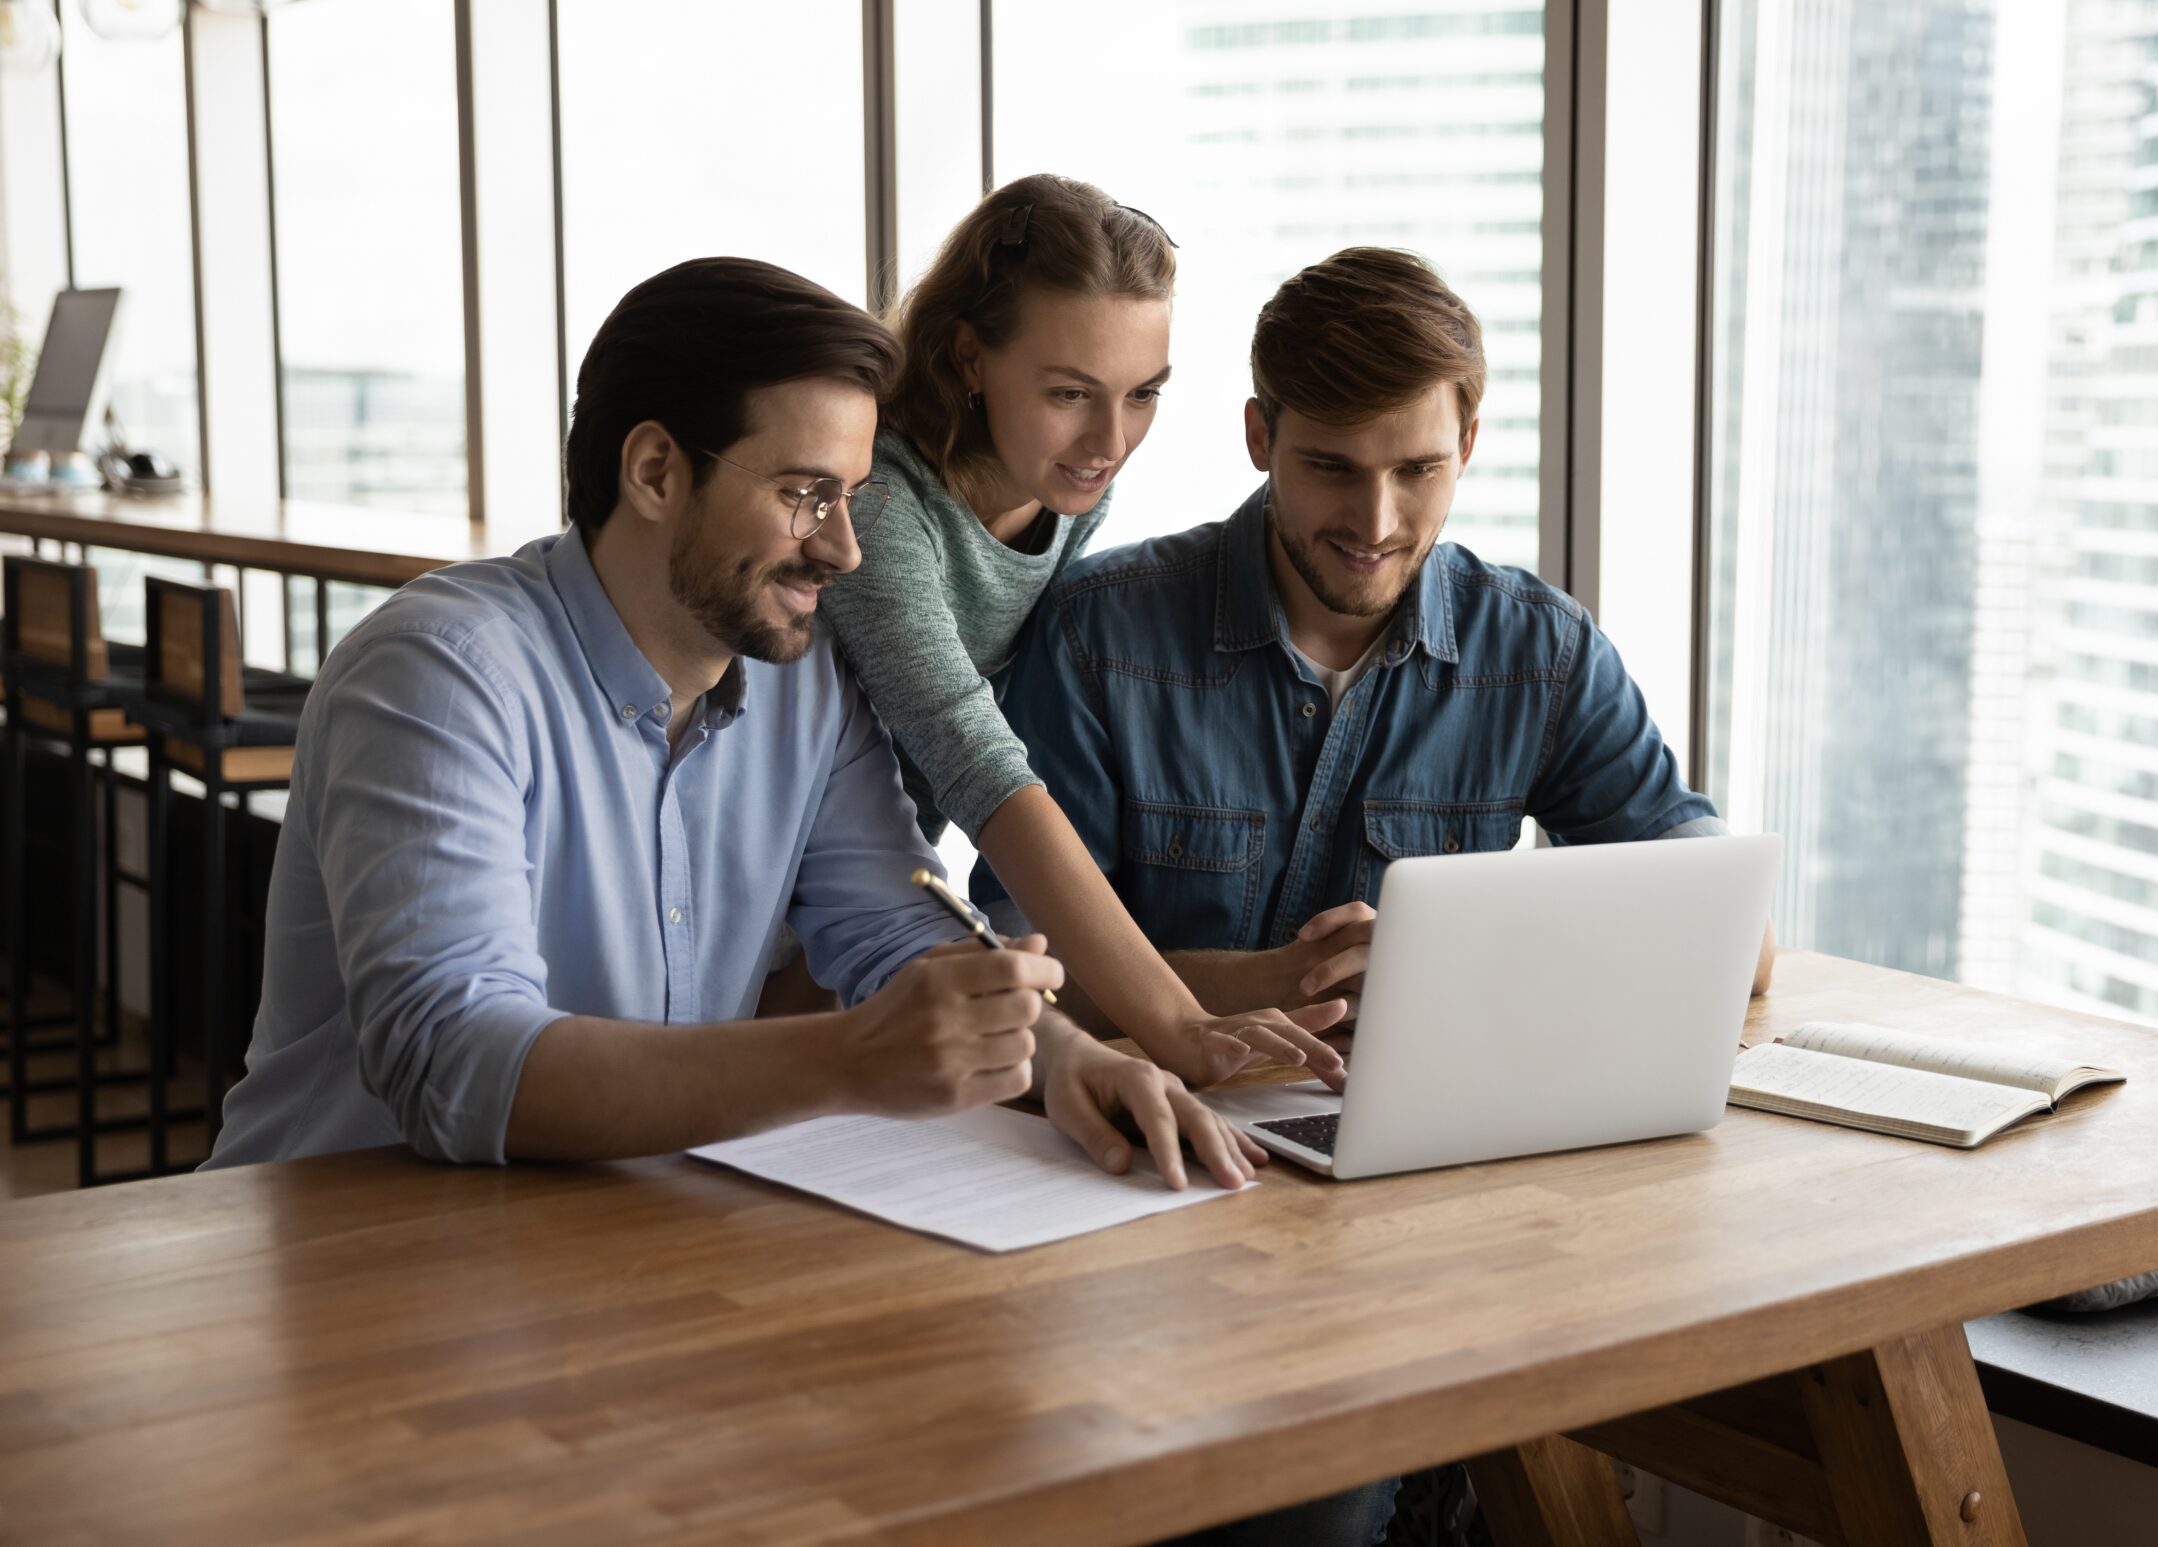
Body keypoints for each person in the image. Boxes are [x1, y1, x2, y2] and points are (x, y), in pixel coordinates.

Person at [204, 257, 1254, 1188]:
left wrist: (1062, 1055)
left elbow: (892, 930)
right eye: (805, 494)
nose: (842, 551)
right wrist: (844, 1057)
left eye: (851, 498)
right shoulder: (438, 672)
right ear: (655, 471)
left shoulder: (801, 683)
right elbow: (453, 1063)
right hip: (346, 1264)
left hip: (613, 1245)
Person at [979, 246, 1777, 1026]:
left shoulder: (1542, 653)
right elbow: (1023, 974)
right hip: (1165, 1135)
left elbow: (1745, 947)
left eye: (1418, 471)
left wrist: (1462, 957)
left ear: (1465, 447)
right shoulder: (1098, 634)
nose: (1376, 523)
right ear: (1261, 438)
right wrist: (1281, 982)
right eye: (1333, 467)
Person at [812, 176, 1344, 1087]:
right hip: (781, 892)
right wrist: (1177, 1024)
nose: (1110, 439)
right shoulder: (885, 507)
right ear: (969, 356)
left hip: (866, 904)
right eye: (1070, 392)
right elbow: (979, 764)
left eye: (1144, 394)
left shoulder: (1067, 490)